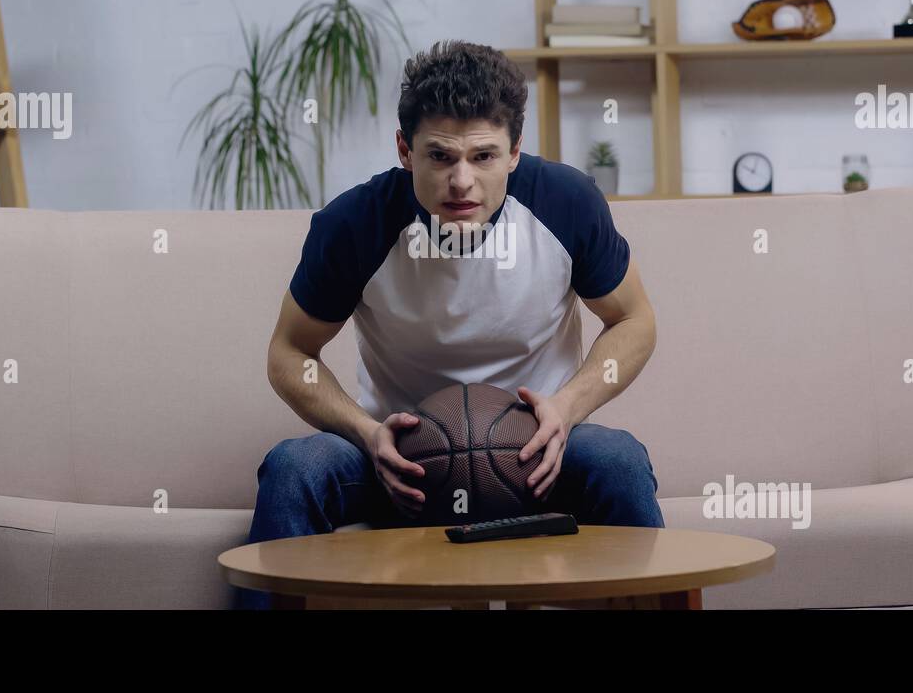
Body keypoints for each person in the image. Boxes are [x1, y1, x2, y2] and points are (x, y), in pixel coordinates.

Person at [236, 40, 662, 609]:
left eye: (483, 156)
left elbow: (634, 321)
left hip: (536, 459)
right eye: (440, 156)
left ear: (514, 151)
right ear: (405, 150)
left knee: (619, 461)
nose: (461, 181)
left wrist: (566, 409)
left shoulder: (566, 203)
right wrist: (366, 433)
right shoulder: (354, 224)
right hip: (405, 468)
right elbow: (290, 353)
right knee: (294, 467)